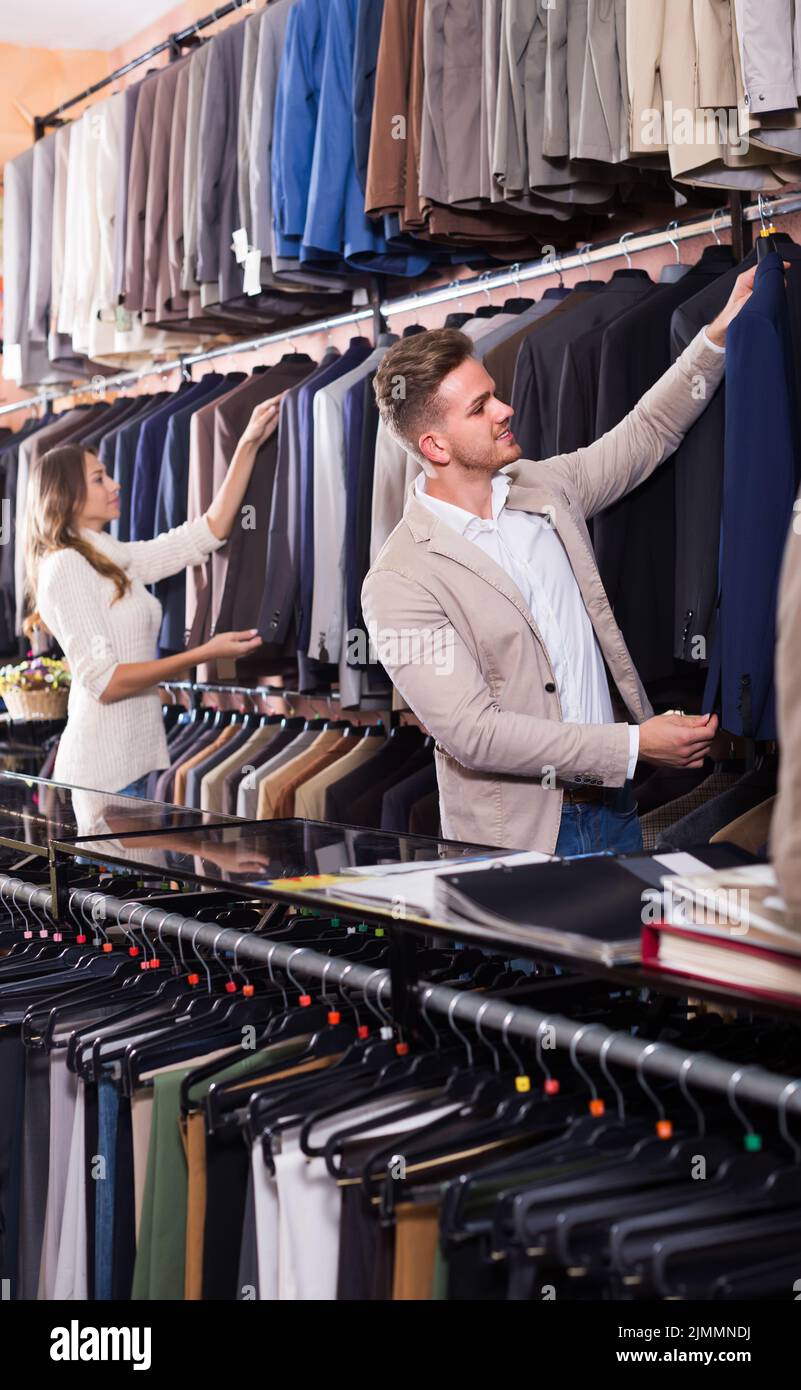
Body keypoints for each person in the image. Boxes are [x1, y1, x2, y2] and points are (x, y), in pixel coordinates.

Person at [361, 268, 759, 857]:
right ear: (435, 447)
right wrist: (633, 747)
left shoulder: (541, 488)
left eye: (494, 393)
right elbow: (476, 734)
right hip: (518, 842)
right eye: (480, 407)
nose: (506, 409)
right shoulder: (398, 582)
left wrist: (718, 335)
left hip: (616, 809)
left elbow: (646, 434)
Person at [24, 395, 283, 797]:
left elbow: (205, 533)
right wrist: (204, 653)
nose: (115, 484)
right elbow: (105, 682)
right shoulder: (66, 567)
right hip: (105, 773)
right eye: (99, 479)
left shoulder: (110, 554)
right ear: (68, 496)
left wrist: (248, 443)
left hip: (135, 762)